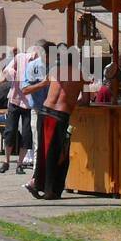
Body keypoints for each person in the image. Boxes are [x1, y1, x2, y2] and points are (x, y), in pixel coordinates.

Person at [24, 45, 86, 200]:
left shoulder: (54, 72)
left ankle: (37, 183)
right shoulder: (80, 75)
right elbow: (85, 100)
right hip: (60, 115)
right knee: (58, 153)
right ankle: (51, 190)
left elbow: (32, 89)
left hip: (44, 112)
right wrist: (72, 103)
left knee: (44, 151)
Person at [0, 47, 33, 175]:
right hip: (15, 99)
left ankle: (20, 163)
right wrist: (17, 75)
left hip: (29, 102)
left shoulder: (38, 63)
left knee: (26, 132)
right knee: (10, 130)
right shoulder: (20, 58)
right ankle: (6, 161)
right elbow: (7, 70)